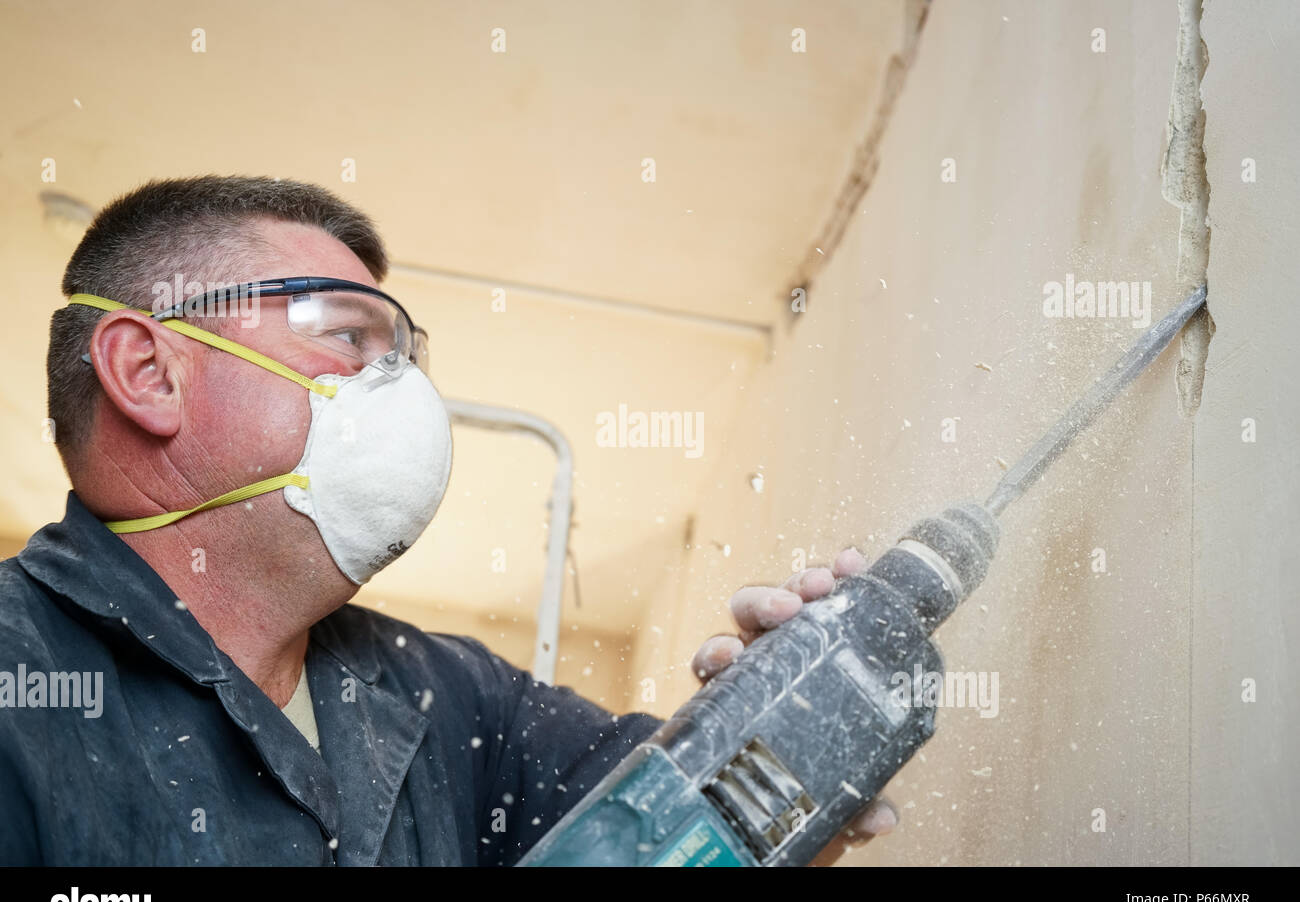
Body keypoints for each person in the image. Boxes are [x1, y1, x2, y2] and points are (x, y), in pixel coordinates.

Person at [0, 175, 895, 865]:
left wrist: (798, 722)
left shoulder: (450, 699)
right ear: (151, 374)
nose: (404, 393)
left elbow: (669, 823)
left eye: (403, 355)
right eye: (350, 335)